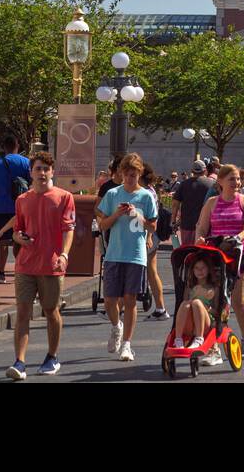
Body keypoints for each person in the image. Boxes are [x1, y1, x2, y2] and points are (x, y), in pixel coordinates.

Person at [5, 153, 75, 380]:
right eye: (38, 169)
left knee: (50, 311)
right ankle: (20, 362)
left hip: (51, 265)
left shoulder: (64, 197)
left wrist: (64, 254)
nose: (42, 173)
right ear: (31, 172)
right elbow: (17, 230)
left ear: (52, 172)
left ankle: (52, 357)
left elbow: (68, 229)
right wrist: (18, 238)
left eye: (46, 169)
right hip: (25, 265)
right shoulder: (22, 200)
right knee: (23, 312)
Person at [96, 152, 158, 362]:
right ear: (122, 174)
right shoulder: (113, 194)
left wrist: (137, 216)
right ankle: (116, 327)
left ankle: (127, 345)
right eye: (128, 174)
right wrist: (117, 215)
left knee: (130, 300)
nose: (131, 178)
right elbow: (103, 224)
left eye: (135, 175)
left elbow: (153, 226)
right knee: (110, 299)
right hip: (114, 253)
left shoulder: (146, 196)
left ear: (140, 174)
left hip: (136, 254)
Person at [195, 164, 244, 359]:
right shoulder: (212, 203)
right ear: (220, 182)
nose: (236, 183)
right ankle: (214, 347)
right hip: (216, 256)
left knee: (238, 302)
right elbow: (202, 227)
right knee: (216, 301)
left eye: (238, 179)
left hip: (239, 256)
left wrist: (237, 238)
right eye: (231, 179)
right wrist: (200, 238)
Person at [0, 135, 31, 284]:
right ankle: (19, 271)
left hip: (1, 207)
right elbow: (32, 185)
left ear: (4, 147)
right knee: (19, 240)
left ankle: (1, 273)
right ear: (17, 146)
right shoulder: (26, 163)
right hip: (21, 207)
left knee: (2, 242)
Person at [139, 162, 170, 321]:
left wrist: (149, 236)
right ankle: (160, 308)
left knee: (138, 271)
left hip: (147, 235)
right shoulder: (151, 190)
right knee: (151, 272)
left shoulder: (146, 192)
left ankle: (119, 307)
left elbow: (151, 217)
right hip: (151, 235)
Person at [173, 255, 219, 351]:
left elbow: (218, 312)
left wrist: (207, 309)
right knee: (186, 304)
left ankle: (199, 338)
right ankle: (178, 339)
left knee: (197, 303)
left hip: (205, 323)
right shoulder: (189, 287)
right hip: (189, 324)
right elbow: (184, 305)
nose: (200, 271)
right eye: (197, 268)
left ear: (208, 269)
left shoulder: (214, 288)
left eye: (203, 268)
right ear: (193, 270)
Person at [172, 161, 216, 248]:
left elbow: (175, 204)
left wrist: (173, 220)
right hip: (206, 225)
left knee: (188, 250)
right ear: (205, 170)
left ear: (192, 171)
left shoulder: (184, 184)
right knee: (204, 251)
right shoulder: (212, 184)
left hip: (187, 223)